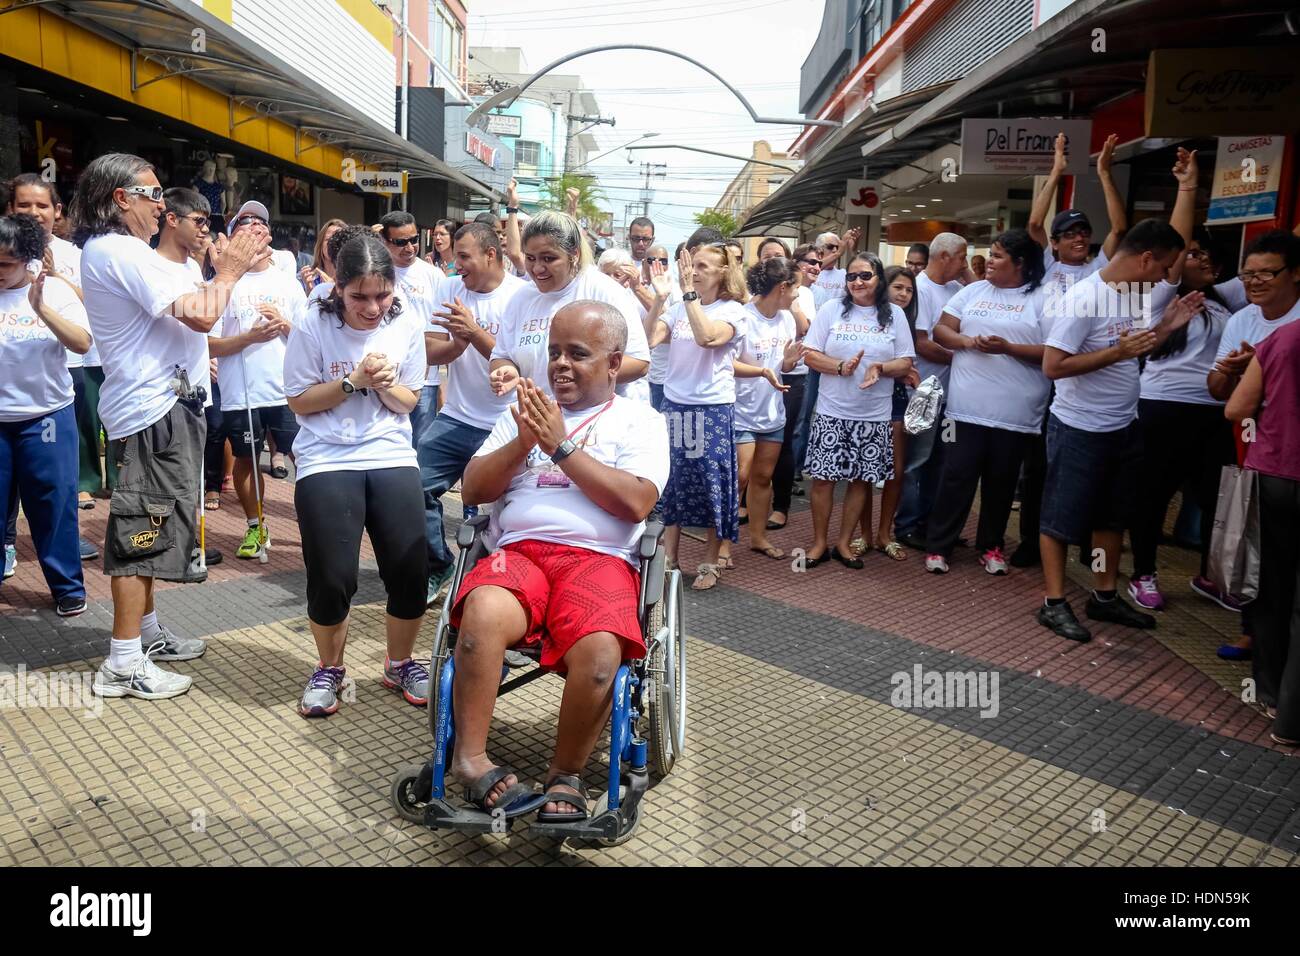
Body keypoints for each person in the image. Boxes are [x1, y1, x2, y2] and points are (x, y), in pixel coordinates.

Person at [451, 300, 669, 818]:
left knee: (600, 653)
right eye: (554, 353)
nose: (561, 365)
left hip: (599, 558)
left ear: (614, 363)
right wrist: (523, 442)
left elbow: (637, 501)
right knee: (480, 614)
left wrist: (560, 447)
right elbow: (473, 489)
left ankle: (565, 775)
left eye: (577, 353)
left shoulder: (642, 420)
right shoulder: (526, 411)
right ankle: (471, 760)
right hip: (521, 552)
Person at [71, 152, 264, 700]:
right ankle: (123, 660)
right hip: (151, 411)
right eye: (153, 194)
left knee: (152, 528)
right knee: (141, 531)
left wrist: (220, 271)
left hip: (169, 406)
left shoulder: (130, 253)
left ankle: (146, 635)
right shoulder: (115, 250)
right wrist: (230, 271)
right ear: (120, 199)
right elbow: (203, 313)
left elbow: (199, 315)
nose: (162, 204)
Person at [283, 235, 429, 716]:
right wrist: (353, 382)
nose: (372, 307)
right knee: (332, 575)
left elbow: (411, 400)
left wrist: (387, 386)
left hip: (389, 451)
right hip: (327, 455)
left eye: (382, 295)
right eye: (359, 296)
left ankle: (400, 661)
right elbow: (299, 401)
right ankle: (330, 667)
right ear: (338, 288)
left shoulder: (406, 319)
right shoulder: (313, 323)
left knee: (410, 566)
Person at [1036, 218, 1200, 642]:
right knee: (1061, 518)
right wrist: (1116, 352)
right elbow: (1052, 367)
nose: (1165, 277)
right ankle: (1053, 603)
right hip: (1078, 427)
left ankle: (1103, 595)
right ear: (1146, 258)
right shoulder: (1083, 298)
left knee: (1111, 518)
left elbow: (1135, 346)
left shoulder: (1132, 294)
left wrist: (1166, 328)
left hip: (1123, 425)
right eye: (1163, 268)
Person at [1128, 148, 1238, 612]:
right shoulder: (1161, 298)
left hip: (1213, 413)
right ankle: (1143, 574)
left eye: (1205, 253)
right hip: (1162, 408)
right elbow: (1176, 241)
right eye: (1192, 253)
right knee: (1152, 495)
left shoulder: (1224, 300)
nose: (1201, 258)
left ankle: (1212, 577)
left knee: (1215, 502)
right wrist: (1188, 187)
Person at [924, 229, 1050, 575]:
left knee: (1001, 481)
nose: (988, 261)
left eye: (996, 256)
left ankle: (992, 546)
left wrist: (1007, 348)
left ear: (1020, 263)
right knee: (955, 476)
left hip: (1016, 414)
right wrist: (966, 342)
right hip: (964, 410)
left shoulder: (1042, 298)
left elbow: (1053, 352)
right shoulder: (974, 291)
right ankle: (939, 546)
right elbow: (941, 330)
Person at [419, 222, 525, 602]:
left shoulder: (522, 296)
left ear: (491, 255)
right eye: (455, 256)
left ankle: (502, 585)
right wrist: (459, 343)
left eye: (464, 256)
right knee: (412, 487)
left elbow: (521, 362)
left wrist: (474, 331)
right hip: (459, 417)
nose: (456, 264)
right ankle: (438, 564)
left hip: (510, 422)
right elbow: (431, 351)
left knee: (515, 508)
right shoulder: (448, 289)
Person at [6, 174, 103, 561]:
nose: (32, 212)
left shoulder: (75, 255)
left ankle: (65, 540)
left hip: (69, 369)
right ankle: (8, 542)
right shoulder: (3, 244)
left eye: (41, 205)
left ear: (56, 211)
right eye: (23, 205)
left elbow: (96, 307)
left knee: (61, 470)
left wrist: (55, 278)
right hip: (10, 378)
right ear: (10, 208)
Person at [0, 213, 92, 615]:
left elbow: (83, 342)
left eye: (6, 263)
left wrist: (42, 310)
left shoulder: (52, 290)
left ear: (28, 257)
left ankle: (67, 587)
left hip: (46, 417)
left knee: (53, 503)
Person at [206, 199, 306, 559]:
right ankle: (255, 527)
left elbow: (312, 341)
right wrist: (247, 338)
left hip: (288, 391)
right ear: (233, 236)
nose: (256, 228)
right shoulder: (223, 284)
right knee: (247, 460)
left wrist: (285, 325)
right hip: (241, 394)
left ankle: (312, 526)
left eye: (261, 223)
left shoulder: (288, 284)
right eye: (246, 223)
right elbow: (208, 342)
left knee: (304, 458)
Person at [801, 252, 914, 569]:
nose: (857, 282)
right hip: (831, 410)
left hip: (873, 415)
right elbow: (810, 355)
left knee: (861, 480)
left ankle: (844, 542)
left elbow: (906, 361)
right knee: (823, 480)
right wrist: (839, 366)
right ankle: (820, 542)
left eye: (864, 275)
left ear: (879, 279)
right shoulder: (832, 309)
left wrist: (881, 367)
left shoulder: (893, 315)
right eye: (851, 276)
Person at [644, 243, 747, 590]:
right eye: (692, 265)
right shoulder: (677, 307)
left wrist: (688, 294)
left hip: (712, 408)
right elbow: (648, 340)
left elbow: (707, 337)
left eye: (703, 266)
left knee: (711, 483)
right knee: (672, 480)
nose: (694, 271)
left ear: (723, 272)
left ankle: (709, 560)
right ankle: (670, 557)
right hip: (675, 404)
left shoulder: (733, 310)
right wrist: (659, 299)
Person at [1225, 319, 1300, 746]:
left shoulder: (1283, 338)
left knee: (1271, 586)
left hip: (1273, 474)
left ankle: (1270, 693)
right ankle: (1291, 718)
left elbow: (1236, 409)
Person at [489, 210, 650, 405]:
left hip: (595, 421)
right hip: (538, 417)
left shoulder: (604, 291)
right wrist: (507, 370)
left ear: (574, 253)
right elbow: (501, 355)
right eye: (530, 258)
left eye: (548, 258)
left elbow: (639, 362)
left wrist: (577, 380)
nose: (538, 268)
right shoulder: (521, 298)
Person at [894, 232, 967, 551]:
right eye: (962, 257)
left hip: (952, 396)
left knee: (942, 460)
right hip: (922, 394)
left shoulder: (956, 288)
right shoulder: (920, 289)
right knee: (916, 462)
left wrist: (966, 272)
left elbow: (980, 291)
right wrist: (962, 360)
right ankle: (907, 524)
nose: (966, 264)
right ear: (945, 257)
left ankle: (930, 524)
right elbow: (922, 342)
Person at [852, 265, 921, 559]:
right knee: (865, 471)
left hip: (896, 399)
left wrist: (901, 370)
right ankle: (865, 535)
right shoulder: (864, 314)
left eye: (909, 290)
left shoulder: (902, 318)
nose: (904, 294)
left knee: (895, 468)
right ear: (883, 286)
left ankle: (884, 534)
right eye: (898, 288)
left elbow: (905, 360)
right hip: (865, 399)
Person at [734, 257, 800, 560]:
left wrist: (789, 362)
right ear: (782, 287)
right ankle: (721, 544)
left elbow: (782, 365)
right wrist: (761, 372)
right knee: (740, 476)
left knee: (762, 478)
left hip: (772, 413)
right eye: (795, 288)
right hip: (740, 411)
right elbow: (727, 364)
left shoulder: (787, 319)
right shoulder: (742, 317)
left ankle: (757, 538)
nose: (798, 295)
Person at [1029, 133, 1127, 304]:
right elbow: (1035, 225)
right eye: (1070, 234)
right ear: (1054, 243)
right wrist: (1057, 171)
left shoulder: (1098, 268)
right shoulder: (1047, 266)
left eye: (1084, 232)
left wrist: (1104, 173)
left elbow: (1119, 229)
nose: (1080, 238)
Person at [379, 211, 446, 452]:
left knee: (421, 446)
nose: (409, 247)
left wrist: (427, 359)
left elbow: (440, 325)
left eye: (414, 240)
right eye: (400, 242)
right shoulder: (376, 271)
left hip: (423, 379)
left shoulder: (433, 276)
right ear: (385, 242)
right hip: (385, 376)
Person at [774, 243, 821, 526]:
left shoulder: (803, 293)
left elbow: (805, 328)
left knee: (785, 439)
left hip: (794, 374)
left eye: (819, 262)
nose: (815, 266)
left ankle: (781, 505)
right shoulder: (757, 295)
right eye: (810, 262)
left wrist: (792, 301)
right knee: (756, 442)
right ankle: (746, 504)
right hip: (763, 375)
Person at [812, 228, 861, 307]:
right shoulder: (811, 273)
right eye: (830, 247)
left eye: (837, 247)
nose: (834, 250)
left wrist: (853, 251)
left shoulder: (843, 274)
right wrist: (838, 253)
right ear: (819, 249)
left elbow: (860, 272)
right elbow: (815, 267)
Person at [300, 217, 345, 294]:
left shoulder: (352, 280)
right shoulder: (306, 278)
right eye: (328, 239)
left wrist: (333, 289)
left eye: (337, 239)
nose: (332, 243)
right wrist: (309, 294)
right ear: (320, 245)